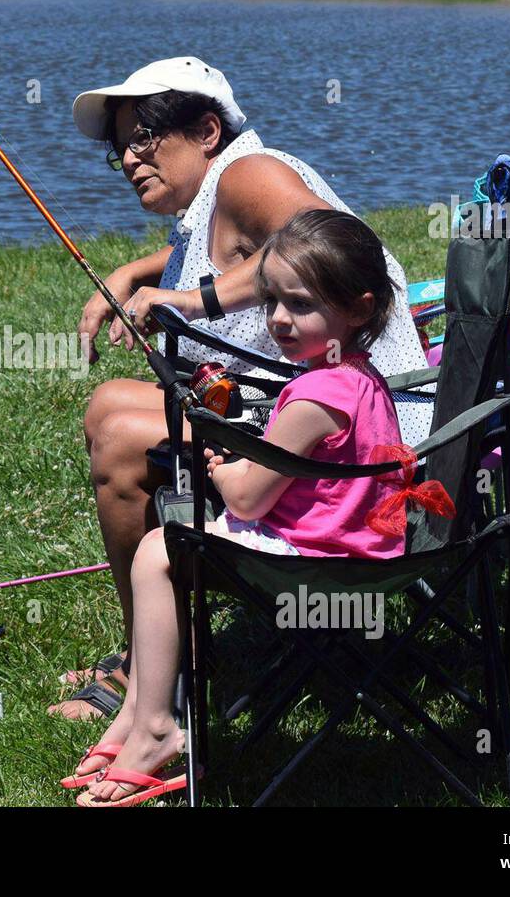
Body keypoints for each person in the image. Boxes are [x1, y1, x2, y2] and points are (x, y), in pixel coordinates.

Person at [52, 57, 429, 720]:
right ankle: (163, 642)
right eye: (120, 148)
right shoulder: (211, 203)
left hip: (359, 440)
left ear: (205, 129)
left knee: (118, 435)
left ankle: (156, 670)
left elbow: (330, 244)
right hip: (325, 421)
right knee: (110, 401)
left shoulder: (249, 172)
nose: (130, 157)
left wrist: (191, 300)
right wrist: (136, 271)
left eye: (144, 136)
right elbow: (228, 252)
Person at [72, 208, 409, 806]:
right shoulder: (356, 374)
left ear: (358, 308)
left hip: (318, 558)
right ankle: (134, 714)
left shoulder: (316, 394)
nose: (279, 319)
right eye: (273, 299)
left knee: (156, 552)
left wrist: (223, 471)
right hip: (354, 542)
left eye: (300, 305)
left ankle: (154, 728)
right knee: (166, 547)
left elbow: (252, 500)